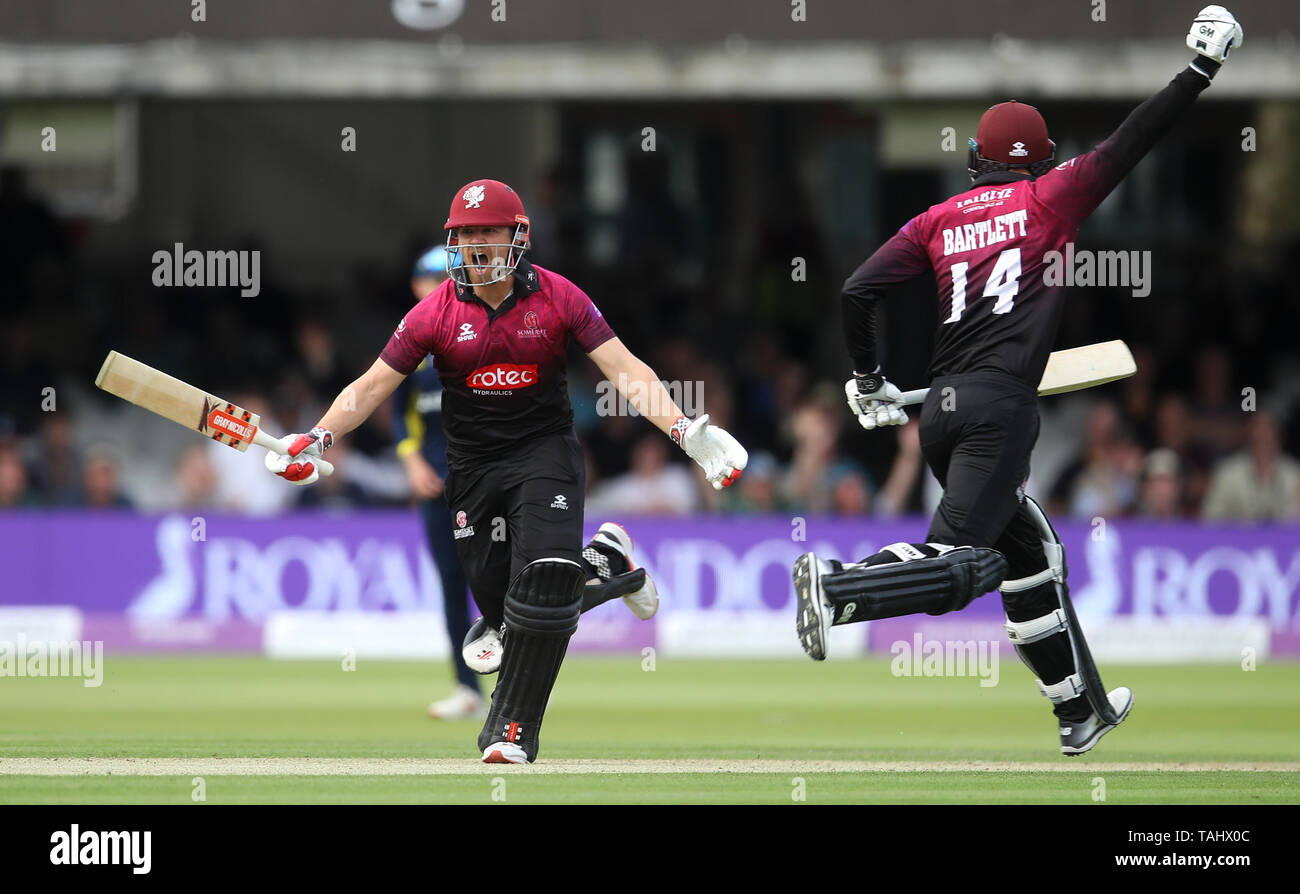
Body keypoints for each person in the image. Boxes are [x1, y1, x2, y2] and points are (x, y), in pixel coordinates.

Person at [792, 7, 1242, 756]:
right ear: (1038, 157)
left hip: (938, 409)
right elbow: (1133, 142)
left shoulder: (936, 220)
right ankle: (838, 591)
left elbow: (855, 293)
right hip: (999, 410)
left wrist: (869, 379)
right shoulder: (1050, 198)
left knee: (1032, 555)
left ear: (978, 157)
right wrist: (1199, 69)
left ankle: (1080, 711)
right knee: (961, 563)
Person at [267, 179, 747, 764]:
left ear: (518, 235)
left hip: (543, 454)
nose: (474, 244)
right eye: (464, 234)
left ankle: (510, 731)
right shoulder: (432, 314)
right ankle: (607, 562)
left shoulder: (559, 297)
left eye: (486, 231)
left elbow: (624, 369)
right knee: (505, 620)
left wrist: (684, 430)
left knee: (542, 589)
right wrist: (315, 437)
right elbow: (370, 386)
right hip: (470, 470)